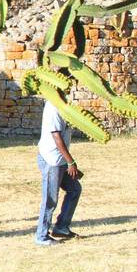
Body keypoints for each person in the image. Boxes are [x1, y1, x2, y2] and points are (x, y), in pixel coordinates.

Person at [35, 94, 83, 246]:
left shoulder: (62, 104)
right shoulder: (53, 107)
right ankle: (41, 236)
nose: (68, 89)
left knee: (74, 189)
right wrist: (71, 162)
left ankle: (61, 228)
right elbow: (56, 137)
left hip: (60, 159)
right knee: (50, 199)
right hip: (52, 160)